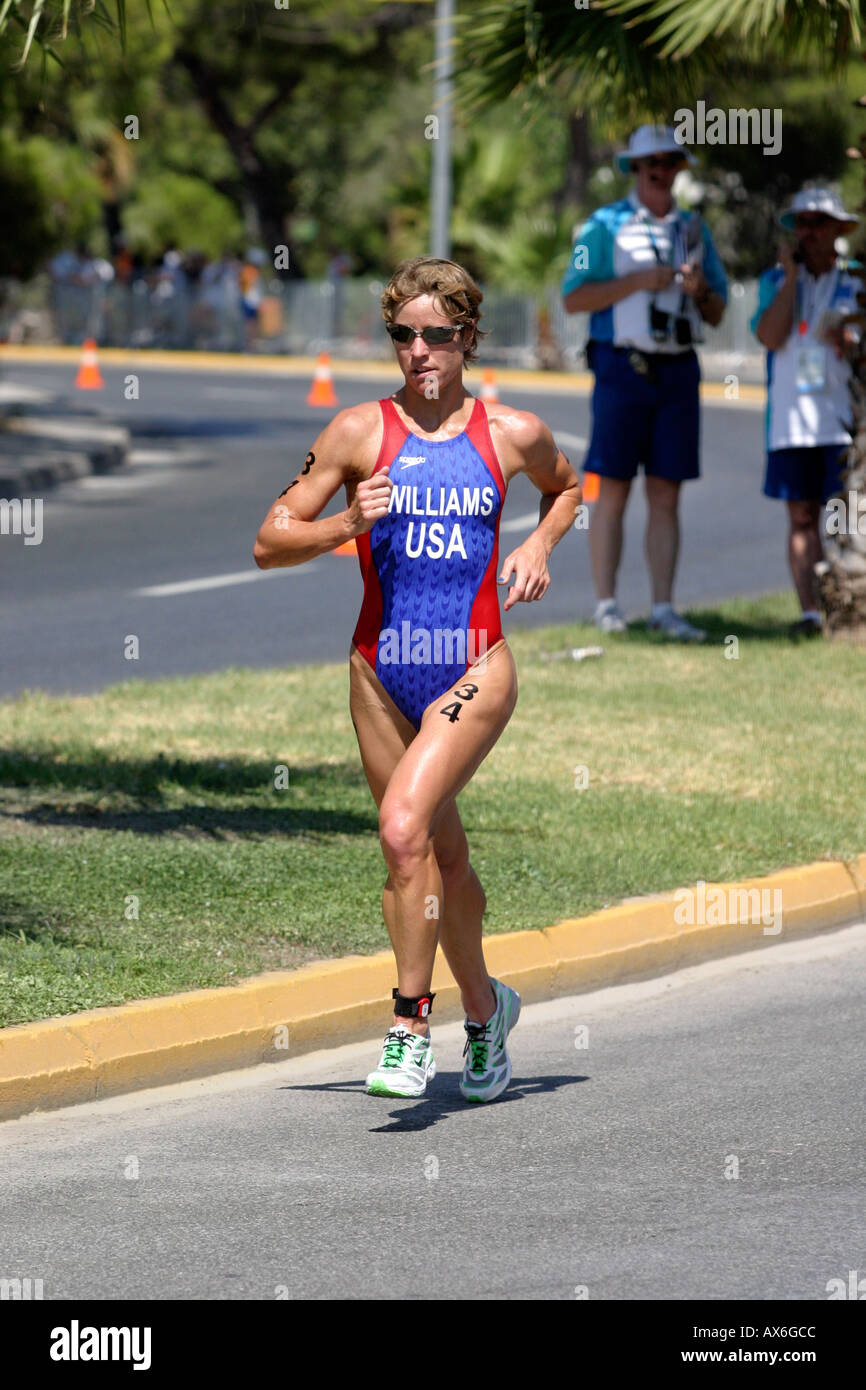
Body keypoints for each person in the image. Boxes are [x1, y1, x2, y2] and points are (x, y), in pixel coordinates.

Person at [253, 257, 580, 1102]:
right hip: (378, 671)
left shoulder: (509, 433)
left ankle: (407, 1025)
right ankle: (486, 1012)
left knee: (403, 831)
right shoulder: (360, 432)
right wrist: (341, 526)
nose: (420, 351)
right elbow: (267, 539)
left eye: (438, 335)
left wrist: (538, 544)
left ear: (468, 338)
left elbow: (569, 487)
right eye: (405, 335)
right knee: (439, 853)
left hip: (475, 664)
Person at [562, 124, 727, 641]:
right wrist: (636, 281)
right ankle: (607, 606)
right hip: (621, 367)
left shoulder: (696, 229)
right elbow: (573, 296)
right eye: (648, 161)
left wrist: (700, 291)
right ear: (634, 168)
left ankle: (663, 607)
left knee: (666, 492)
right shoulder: (602, 225)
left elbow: (718, 312)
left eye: (669, 160)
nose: (659, 168)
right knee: (612, 488)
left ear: (678, 168)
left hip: (678, 368)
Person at [752, 188, 860, 638]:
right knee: (801, 517)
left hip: (844, 421)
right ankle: (810, 613)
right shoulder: (776, 282)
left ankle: (849, 609)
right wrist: (792, 277)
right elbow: (770, 336)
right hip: (791, 425)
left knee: (846, 514)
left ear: (838, 229)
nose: (810, 232)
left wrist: (853, 342)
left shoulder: (857, 281)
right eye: (803, 223)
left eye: (820, 222)